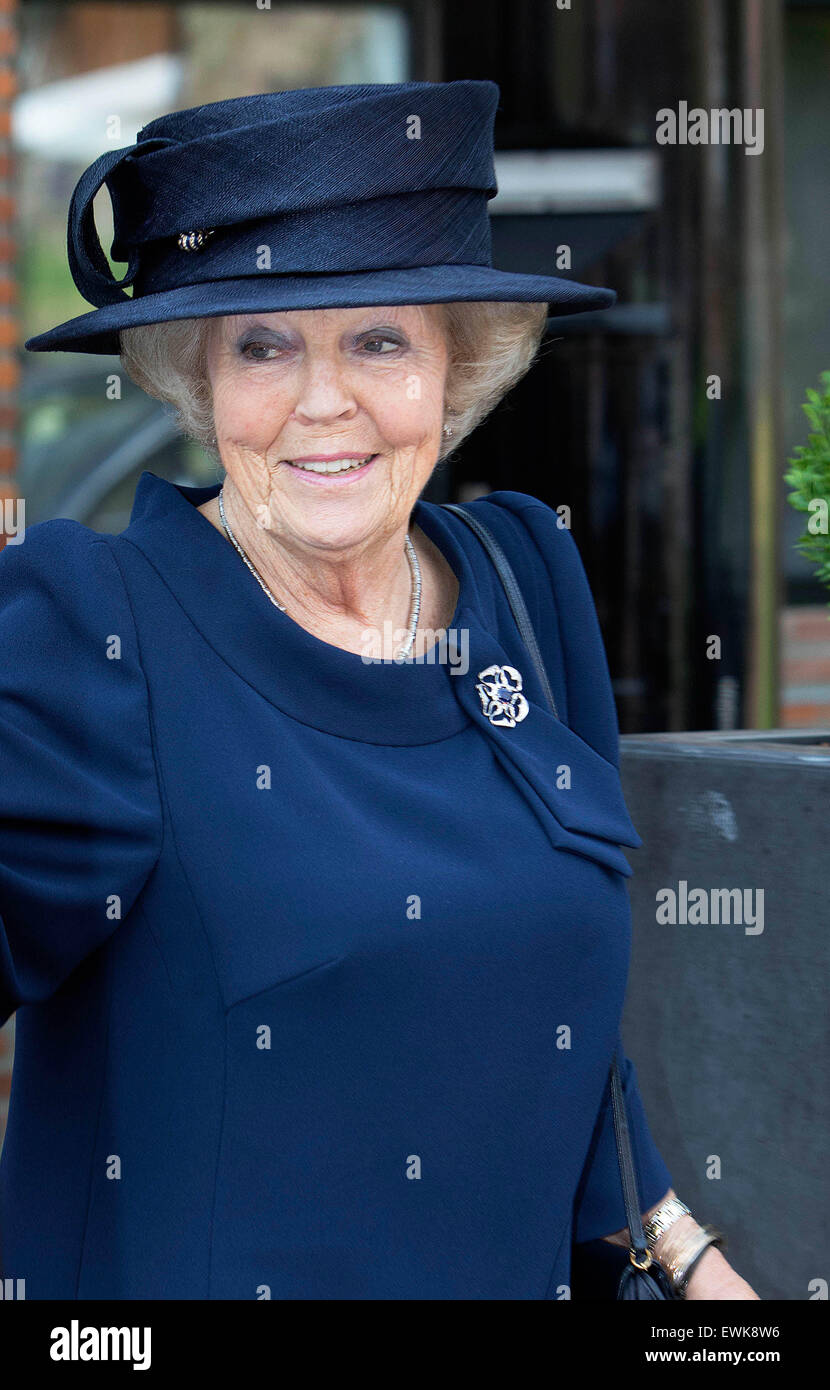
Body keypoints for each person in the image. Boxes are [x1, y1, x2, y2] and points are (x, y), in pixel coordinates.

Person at [0, 80, 757, 1299]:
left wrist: (680, 1254)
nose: (322, 401)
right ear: (195, 376)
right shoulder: (90, 631)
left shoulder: (522, 575)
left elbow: (549, 1012)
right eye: (263, 345)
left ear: (456, 365)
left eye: (378, 339)